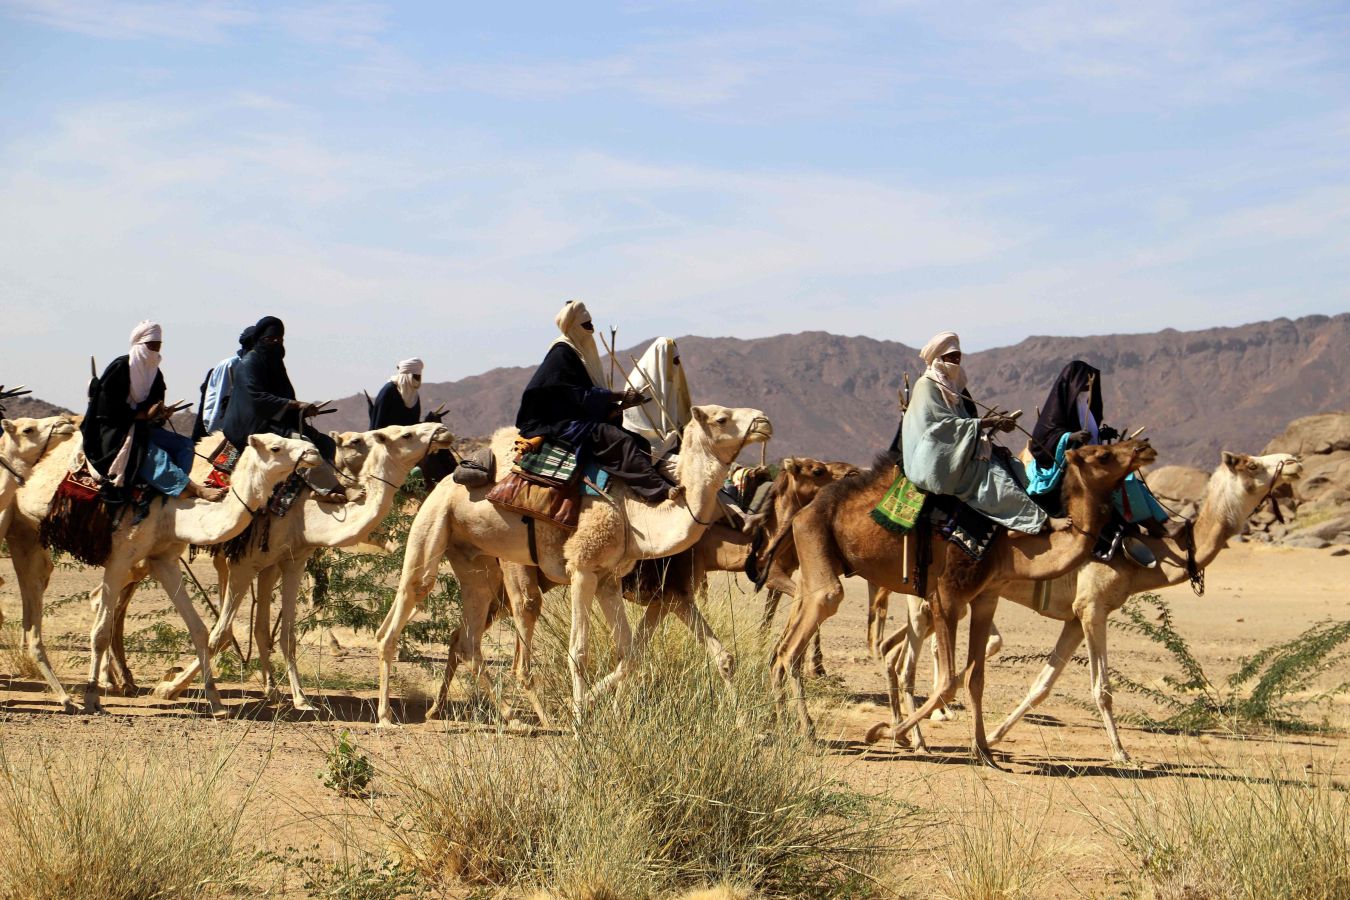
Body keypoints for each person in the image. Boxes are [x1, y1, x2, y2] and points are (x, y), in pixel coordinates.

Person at [515, 301, 680, 503]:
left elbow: (586, 395)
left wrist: (618, 407)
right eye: (586, 325)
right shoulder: (562, 353)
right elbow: (576, 394)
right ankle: (660, 492)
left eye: (591, 323)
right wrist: (619, 395)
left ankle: (639, 488)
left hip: (580, 415)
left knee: (641, 442)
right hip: (560, 421)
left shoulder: (579, 351)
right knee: (621, 442)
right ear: (573, 326)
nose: (591, 329)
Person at [900, 331, 1047, 533]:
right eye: (950, 357)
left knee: (1012, 464)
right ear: (938, 358)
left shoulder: (953, 387)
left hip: (956, 449)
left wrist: (990, 429)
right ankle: (1033, 522)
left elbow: (965, 422)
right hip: (934, 457)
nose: (955, 361)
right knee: (992, 478)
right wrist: (987, 422)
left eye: (958, 357)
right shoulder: (927, 385)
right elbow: (945, 427)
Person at [1028, 360, 1169, 562]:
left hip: (1092, 466)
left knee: (1131, 481)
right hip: (1069, 470)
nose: (1088, 387)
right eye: (1084, 382)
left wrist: (1102, 434)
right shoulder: (1055, 413)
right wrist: (1069, 438)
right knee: (1122, 486)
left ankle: (1158, 523)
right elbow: (1039, 442)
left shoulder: (1085, 408)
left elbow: (1092, 444)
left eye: (1090, 383)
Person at [81, 321, 224, 502]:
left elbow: (154, 411)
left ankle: (172, 487)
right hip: (114, 432)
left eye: (158, 346)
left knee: (185, 445)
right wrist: (140, 416)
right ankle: (193, 489)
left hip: (143, 428)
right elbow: (105, 411)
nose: (155, 350)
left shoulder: (156, 374)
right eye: (151, 346)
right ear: (139, 345)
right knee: (156, 454)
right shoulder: (120, 367)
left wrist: (161, 414)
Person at [217, 315, 346, 500]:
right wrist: (296, 405)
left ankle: (315, 486)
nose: (276, 343)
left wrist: (302, 411)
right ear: (260, 340)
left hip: (273, 419)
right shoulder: (249, 364)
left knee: (325, 443)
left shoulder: (275, 363)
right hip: (251, 424)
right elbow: (258, 399)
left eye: (279, 339)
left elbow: (285, 395)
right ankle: (329, 489)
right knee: (302, 445)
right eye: (271, 339)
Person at [369, 357, 454, 488]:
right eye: (415, 376)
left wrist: (430, 420)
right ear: (407, 375)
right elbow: (377, 426)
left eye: (419, 376)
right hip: (390, 444)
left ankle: (451, 481)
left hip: (409, 440)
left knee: (440, 451)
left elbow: (413, 424)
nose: (418, 380)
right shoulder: (388, 391)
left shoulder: (414, 395)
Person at [623, 337, 692, 456]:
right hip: (642, 449)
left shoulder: (670, 385)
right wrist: (662, 441)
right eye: (674, 361)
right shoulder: (637, 386)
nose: (678, 365)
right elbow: (634, 425)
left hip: (672, 445)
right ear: (662, 360)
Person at [193, 325, 257, 439]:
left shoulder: (258, 368)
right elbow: (219, 403)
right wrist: (217, 435)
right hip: (221, 432)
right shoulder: (230, 365)